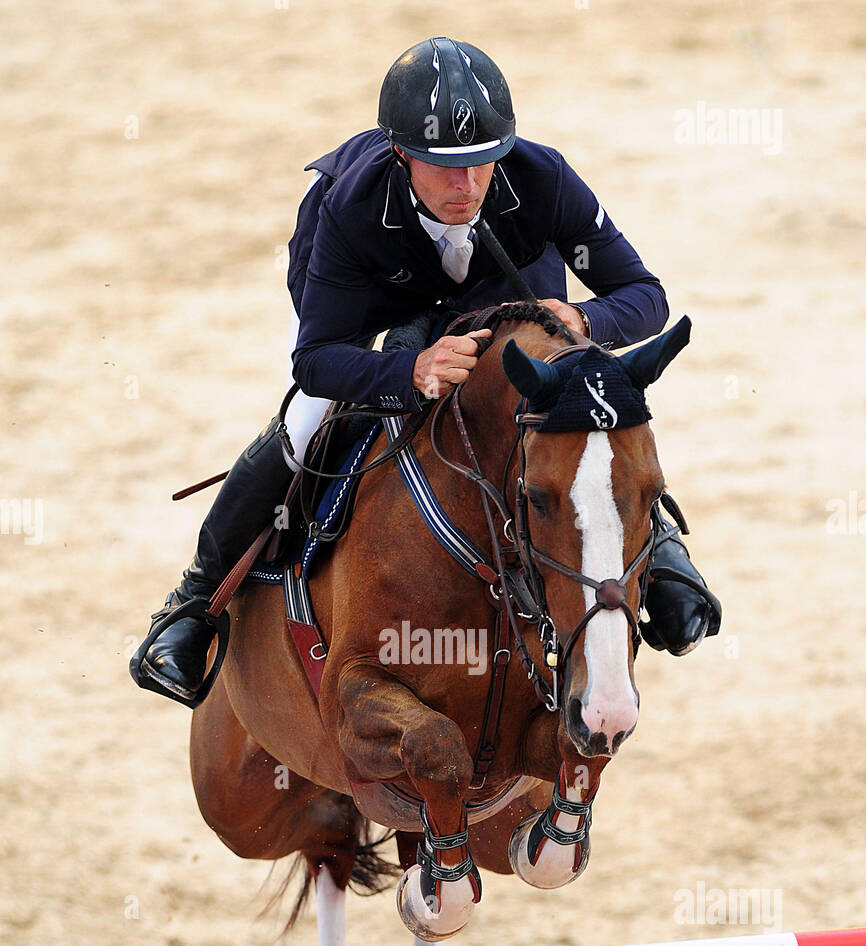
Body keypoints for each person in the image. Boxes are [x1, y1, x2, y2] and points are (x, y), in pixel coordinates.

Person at [130, 36, 719, 707]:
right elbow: (316, 360)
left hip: (503, 299)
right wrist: (409, 369)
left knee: (590, 402)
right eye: (443, 168)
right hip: (378, 311)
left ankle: (664, 553)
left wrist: (586, 322)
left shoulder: (543, 176)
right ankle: (193, 604)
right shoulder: (349, 206)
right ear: (402, 153)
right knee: (305, 420)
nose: (465, 188)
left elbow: (647, 296)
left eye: (481, 165)